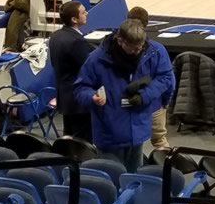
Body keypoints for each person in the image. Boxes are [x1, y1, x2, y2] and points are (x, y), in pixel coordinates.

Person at [73, 18, 177, 172]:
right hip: (109, 132)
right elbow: (80, 88)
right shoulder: (97, 59)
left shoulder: (154, 51)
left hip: (138, 130)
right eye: (132, 48)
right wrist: (92, 96)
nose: (137, 51)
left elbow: (166, 77)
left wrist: (145, 95)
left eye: (140, 47)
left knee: (134, 178)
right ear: (120, 41)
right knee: (112, 177)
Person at [126, 6, 172, 155]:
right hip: (148, 104)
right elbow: (168, 81)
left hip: (143, 104)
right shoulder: (158, 49)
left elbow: (166, 79)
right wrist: (165, 101)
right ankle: (167, 173)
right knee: (158, 141)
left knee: (130, 142)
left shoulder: (156, 50)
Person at [49, 1, 95, 140]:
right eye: (83, 12)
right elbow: (88, 68)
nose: (86, 13)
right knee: (82, 142)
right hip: (78, 100)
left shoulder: (55, 36)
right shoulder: (76, 41)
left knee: (68, 138)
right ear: (74, 19)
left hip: (64, 96)